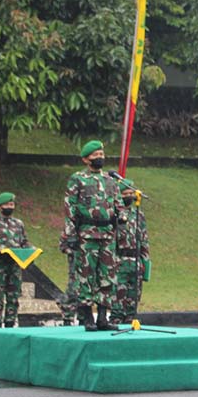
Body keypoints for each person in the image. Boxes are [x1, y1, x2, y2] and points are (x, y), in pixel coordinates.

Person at [62, 140, 124, 332]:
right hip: (87, 235)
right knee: (86, 276)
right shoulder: (78, 179)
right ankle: (88, 317)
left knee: (108, 276)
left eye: (101, 154)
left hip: (107, 235)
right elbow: (70, 207)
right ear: (86, 159)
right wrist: (70, 235)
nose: (100, 158)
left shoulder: (110, 180)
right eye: (95, 155)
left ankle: (103, 317)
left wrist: (121, 216)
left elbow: (118, 203)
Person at [0, 192, 31, 328]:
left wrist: (31, 250)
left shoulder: (19, 224)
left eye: (12, 204)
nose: (10, 206)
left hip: (14, 265)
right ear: (0, 206)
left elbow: (25, 243)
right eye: (7, 204)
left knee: (13, 296)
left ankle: (10, 323)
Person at [111, 178, 150, 324]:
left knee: (134, 298)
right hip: (119, 259)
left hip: (135, 261)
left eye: (130, 193)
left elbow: (144, 239)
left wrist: (145, 260)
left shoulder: (138, 214)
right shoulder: (113, 214)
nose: (129, 196)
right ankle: (116, 320)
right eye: (125, 193)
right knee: (118, 297)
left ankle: (130, 319)